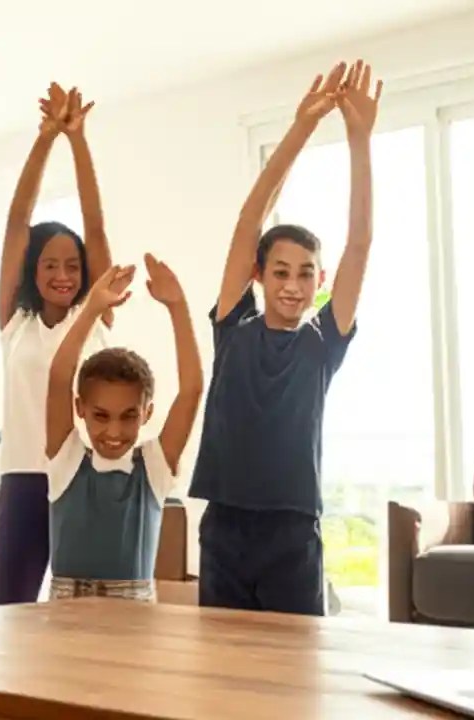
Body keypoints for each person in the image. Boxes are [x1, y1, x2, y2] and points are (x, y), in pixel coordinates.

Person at [189, 60, 383, 616]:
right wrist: (301, 128)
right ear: (259, 275)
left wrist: (358, 138)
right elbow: (250, 219)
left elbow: (360, 243)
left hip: (292, 531)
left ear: (320, 282)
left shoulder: (323, 342)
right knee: (224, 669)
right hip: (224, 524)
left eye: (305, 273)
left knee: (293, 674)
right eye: (280, 271)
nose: (293, 284)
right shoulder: (233, 326)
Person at [0, 83, 114, 605]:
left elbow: (94, 222)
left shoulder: (97, 315)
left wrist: (78, 140)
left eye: (72, 265)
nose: (63, 274)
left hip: (82, 483)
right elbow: (18, 221)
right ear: (32, 271)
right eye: (50, 264)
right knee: (5, 614)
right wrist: (46, 139)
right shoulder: (15, 324)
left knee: (83, 624)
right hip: (21, 481)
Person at [44, 256, 203, 602]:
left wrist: (177, 306)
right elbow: (59, 377)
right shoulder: (66, 462)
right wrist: (92, 309)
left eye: (128, 416)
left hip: (135, 622)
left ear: (147, 413)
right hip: (64, 622)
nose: (114, 430)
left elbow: (191, 389)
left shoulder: (154, 468)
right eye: (101, 416)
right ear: (80, 409)